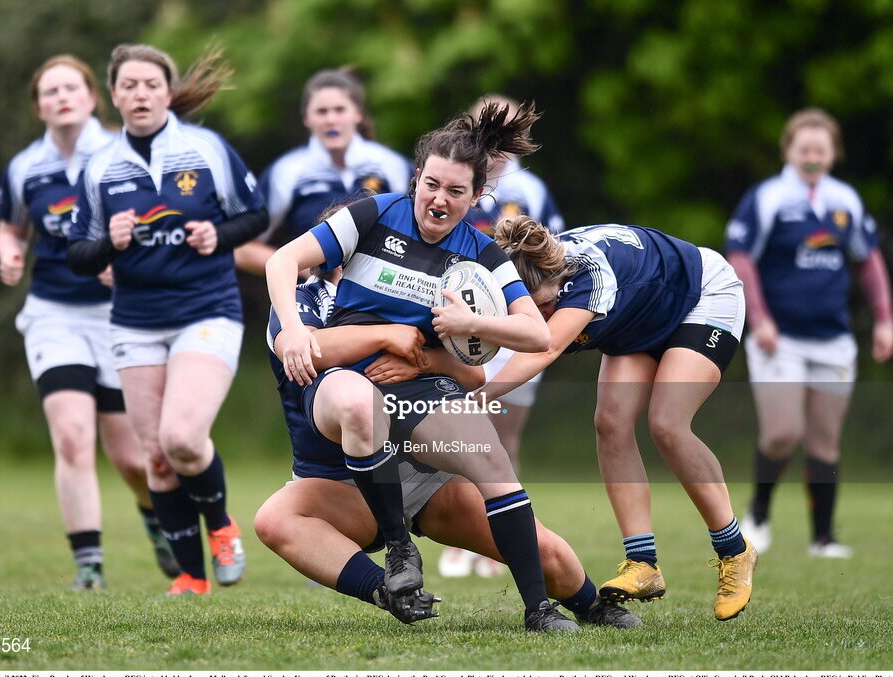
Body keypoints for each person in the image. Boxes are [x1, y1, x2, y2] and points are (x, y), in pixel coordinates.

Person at [266, 102, 580, 631]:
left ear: (477, 197)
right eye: (430, 184)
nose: (439, 199)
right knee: (354, 403)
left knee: (491, 460)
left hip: (417, 388)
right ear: (416, 178)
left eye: (456, 192)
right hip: (350, 385)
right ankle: (398, 552)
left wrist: (466, 328)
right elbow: (281, 260)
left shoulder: (480, 253)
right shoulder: (372, 214)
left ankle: (539, 608)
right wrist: (296, 330)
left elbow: (535, 333)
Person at [256, 264, 641, 629]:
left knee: (549, 557)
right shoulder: (298, 303)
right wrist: (385, 336)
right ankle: (387, 589)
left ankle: (591, 606)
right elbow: (308, 348)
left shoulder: (409, 293)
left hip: (425, 477)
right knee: (275, 519)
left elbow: (473, 373)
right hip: (342, 484)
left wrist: (424, 362)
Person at [483, 216, 758, 621]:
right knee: (610, 422)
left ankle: (735, 550)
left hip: (703, 295)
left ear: (559, 279)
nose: (539, 315)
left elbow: (542, 349)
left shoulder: (587, 277)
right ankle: (643, 563)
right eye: (529, 308)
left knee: (667, 423)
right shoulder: (517, 280)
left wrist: (475, 397)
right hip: (640, 318)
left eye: (545, 305)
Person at [67, 44, 268, 595]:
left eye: (150, 85)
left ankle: (223, 527)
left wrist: (217, 235)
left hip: (206, 311)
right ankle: (190, 575)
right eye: (128, 85)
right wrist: (108, 241)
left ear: (167, 91)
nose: (140, 94)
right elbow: (77, 255)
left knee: (181, 437)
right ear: (114, 96)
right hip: (134, 323)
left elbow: (256, 214)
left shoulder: (204, 149)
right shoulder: (100, 166)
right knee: (154, 456)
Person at [0, 55, 179, 591]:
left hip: (120, 319)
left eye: (70, 87)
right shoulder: (25, 167)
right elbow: (12, 228)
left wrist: (124, 264)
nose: (61, 97)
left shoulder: (125, 157)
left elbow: (161, 226)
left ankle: (154, 515)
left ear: (92, 97)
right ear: (38, 107)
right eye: (49, 91)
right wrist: (9, 253)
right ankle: (89, 568)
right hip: (54, 316)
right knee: (73, 438)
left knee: (129, 455)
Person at [725, 107, 893, 559]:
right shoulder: (769, 198)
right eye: (805, 149)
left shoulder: (845, 201)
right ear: (790, 151)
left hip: (834, 338)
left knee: (824, 441)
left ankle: (823, 537)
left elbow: (868, 260)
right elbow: (740, 258)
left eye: (821, 149)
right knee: (783, 432)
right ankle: (759, 513)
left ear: (833, 153)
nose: (813, 156)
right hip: (779, 337)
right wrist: (759, 318)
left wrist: (884, 317)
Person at [440, 93, 566, 580]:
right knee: (456, 432)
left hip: (515, 325)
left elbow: (552, 254)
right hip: (459, 325)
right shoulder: (456, 183)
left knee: (504, 436)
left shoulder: (533, 191)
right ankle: (459, 540)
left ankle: (498, 539)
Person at [233, 68, 411, 275]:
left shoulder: (391, 165)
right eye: (321, 112)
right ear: (306, 118)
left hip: (380, 298)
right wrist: (305, 268)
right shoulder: (287, 171)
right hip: (309, 299)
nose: (331, 120)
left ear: (358, 114)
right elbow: (243, 249)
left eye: (339, 110)